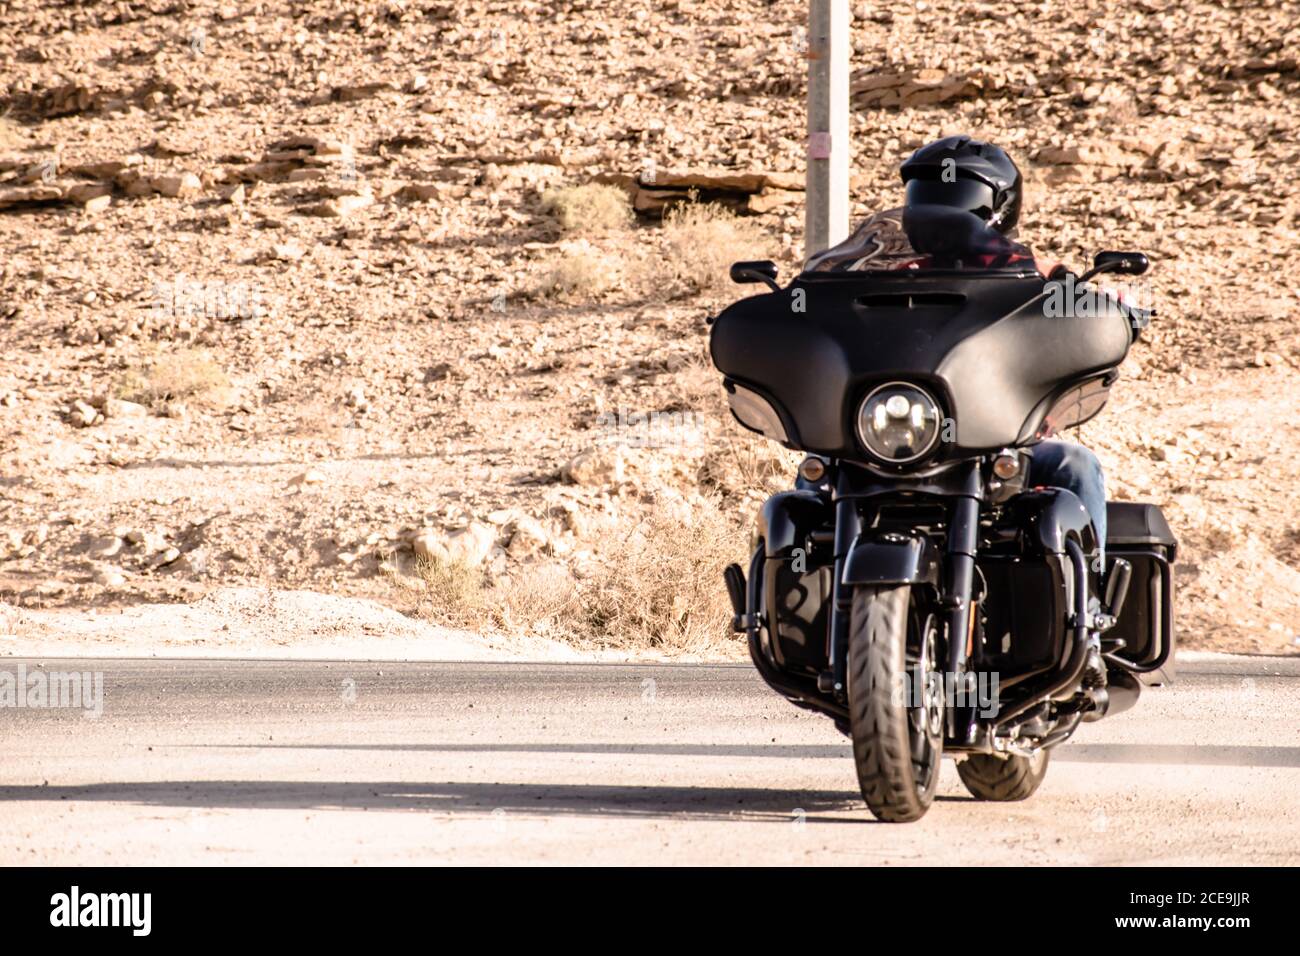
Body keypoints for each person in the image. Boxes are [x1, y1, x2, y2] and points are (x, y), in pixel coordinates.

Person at [802, 135, 1108, 561]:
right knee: (816, 477)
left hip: (1001, 431)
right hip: (901, 428)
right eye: (925, 196)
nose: (936, 210)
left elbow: (1083, 306)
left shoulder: (1030, 274)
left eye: (954, 195)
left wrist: (1110, 309)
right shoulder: (888, 276)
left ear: (997, 208)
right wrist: (806, 310)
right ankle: (802, 594)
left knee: (1074, 466)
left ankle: (1088, 607)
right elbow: (839, 320)